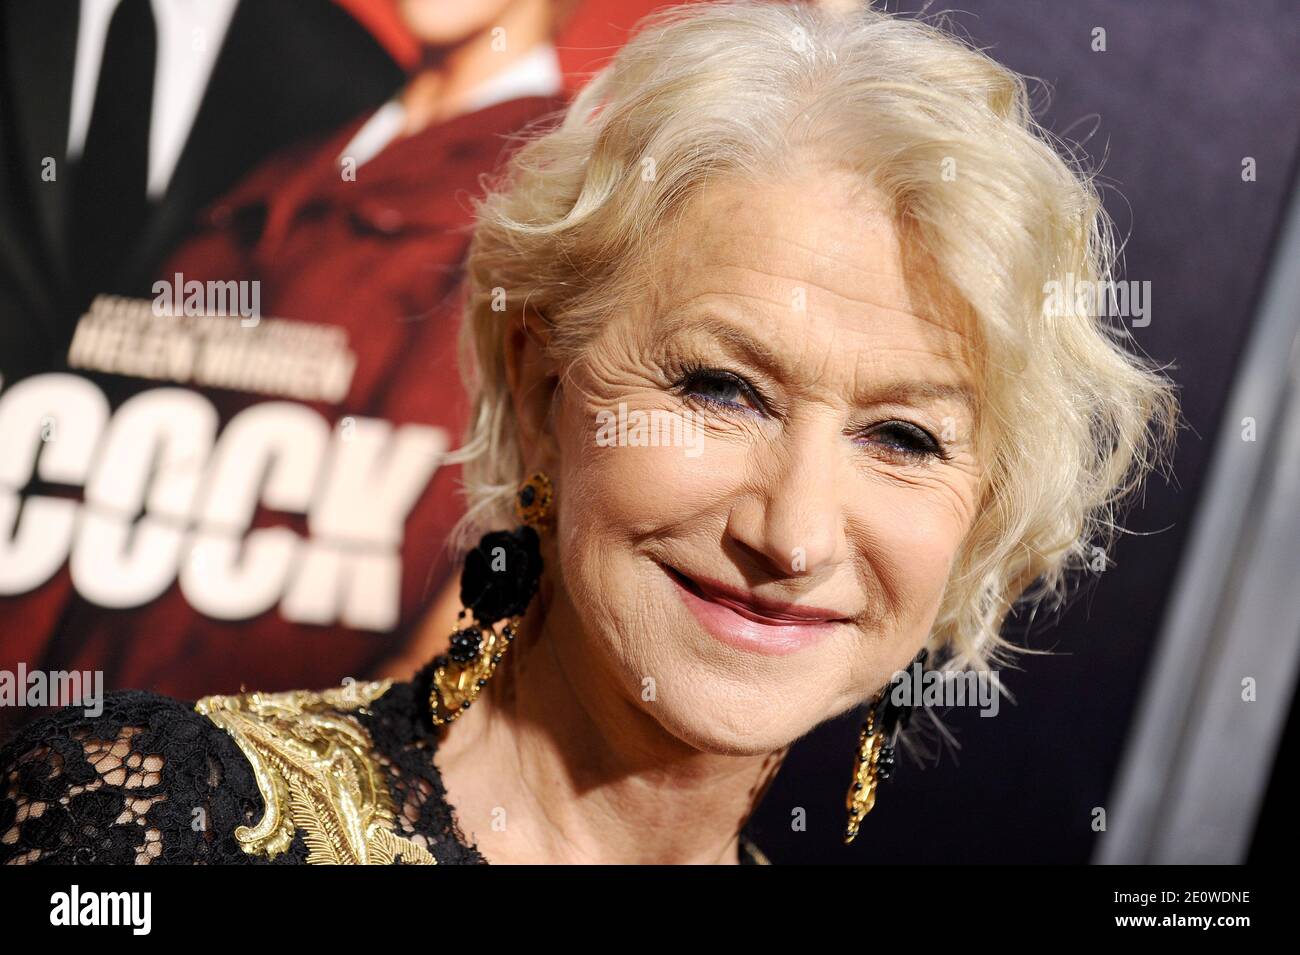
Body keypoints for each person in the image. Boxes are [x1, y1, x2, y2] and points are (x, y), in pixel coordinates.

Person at [0, 0, 1176, 866]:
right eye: (722, 387)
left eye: (906, 437)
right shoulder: (147, 832)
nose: (796, 532)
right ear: (538, 383)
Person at [0, 0, 569, 728]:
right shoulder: (307, 133)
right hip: (74, 703)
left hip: (244, 766)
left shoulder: (551, 195)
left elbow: (483, 562)